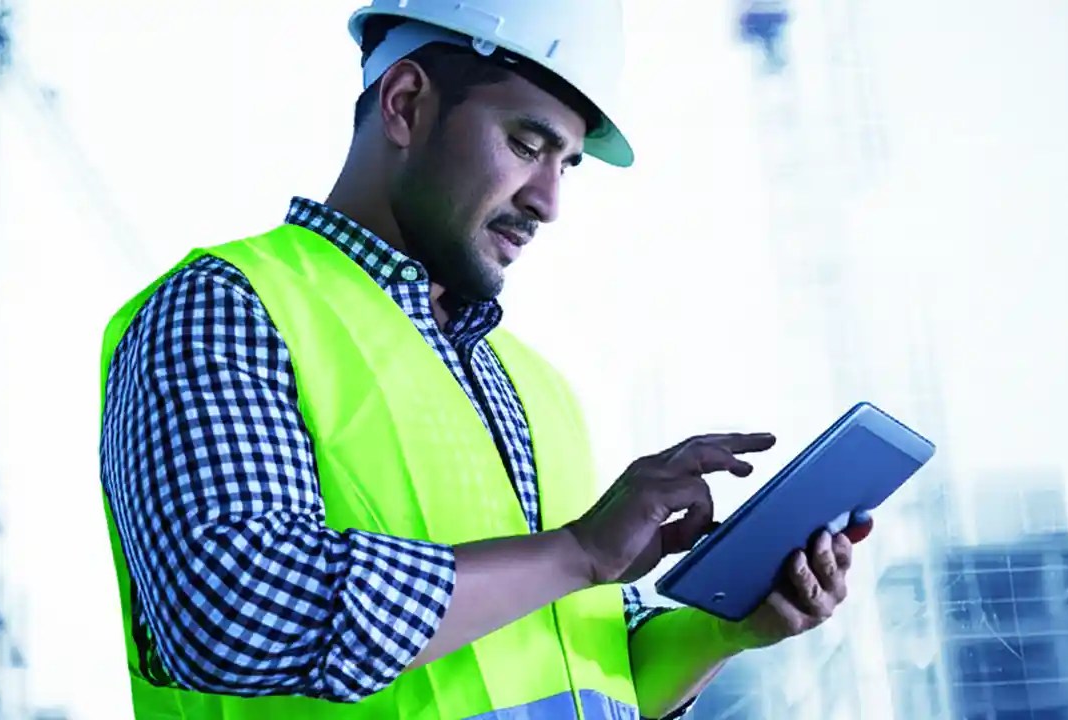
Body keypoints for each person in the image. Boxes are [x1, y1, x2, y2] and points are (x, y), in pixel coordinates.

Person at [96, 1, 871, 718]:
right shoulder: (229, 308)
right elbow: (232, 616)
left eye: (566, 165)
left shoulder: (534, 387)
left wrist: (729, 628)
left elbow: (588, 668)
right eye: (528, 145)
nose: (548, 202)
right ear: (405, 103)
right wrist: (578, 552)